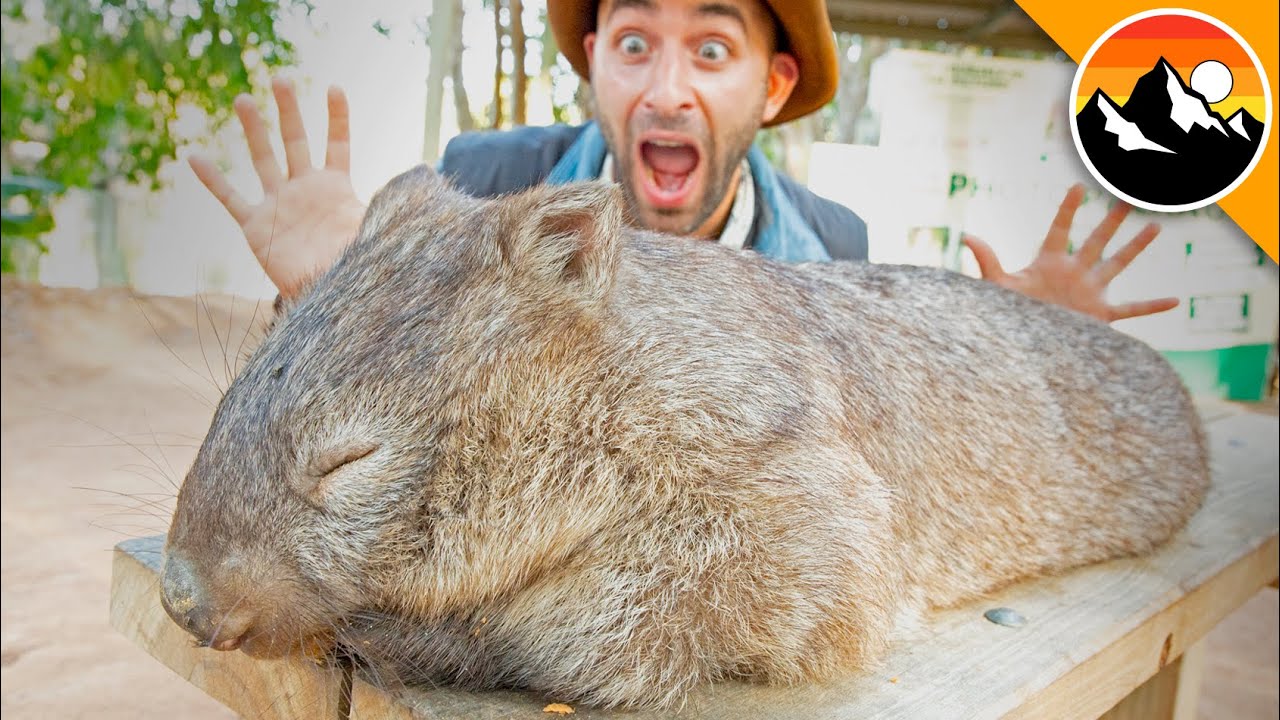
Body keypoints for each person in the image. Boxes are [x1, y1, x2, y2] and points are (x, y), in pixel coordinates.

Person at [189, 0, 1178, 322]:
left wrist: (1028, 349)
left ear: (773, 84)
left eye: (710, 50)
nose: (665, 90)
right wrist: (333, 298)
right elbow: (380, 418)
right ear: (591, 63)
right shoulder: (477, 187)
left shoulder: (834, 251)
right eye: (632, 46)